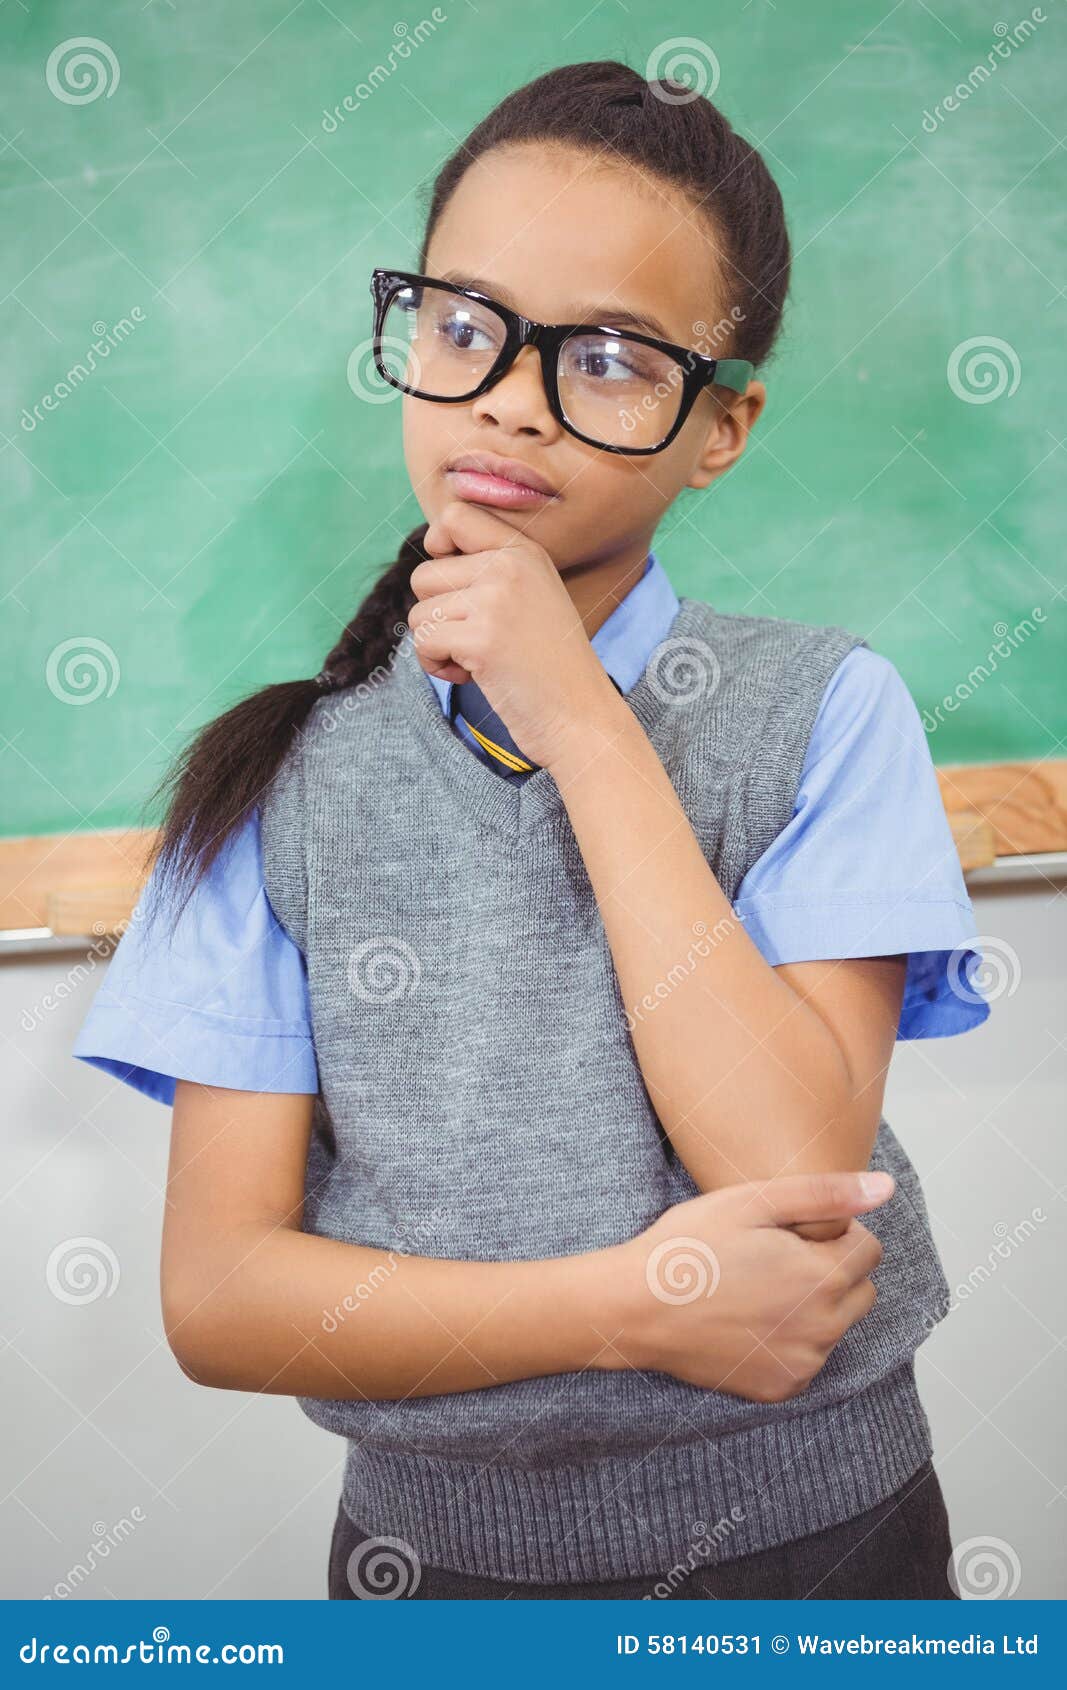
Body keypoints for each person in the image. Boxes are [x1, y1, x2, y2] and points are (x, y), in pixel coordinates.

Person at [73, 59, 990, 1601]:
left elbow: (792, 1155)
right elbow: (222, 1295)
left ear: (723, 426)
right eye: (462, 324)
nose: (507, 394)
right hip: (434, 1570)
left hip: (824, 1546)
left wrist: (582, 723)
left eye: (615, 358)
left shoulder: (826, 709)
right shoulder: (274, 781)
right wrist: (633, 1303)